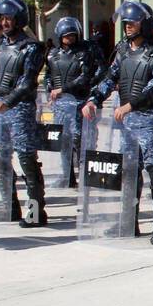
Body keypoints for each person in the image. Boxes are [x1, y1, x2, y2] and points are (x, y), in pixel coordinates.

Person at [84, 1, 153, 244]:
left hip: (149, 120)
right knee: (128, 172)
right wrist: (94, 99)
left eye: (132, 22)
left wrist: (130, 105)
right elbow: (110, 78)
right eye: (125, 23)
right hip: (126, 122)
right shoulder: (122, 50)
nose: (127, 27)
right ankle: (127, 221)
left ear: (144, 24)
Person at [0, 0, 47, 227]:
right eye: (1, 18)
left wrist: (9, 101)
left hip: (20, 109)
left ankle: (35, 212)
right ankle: (9, 207)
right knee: (1, 162)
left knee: (27, 161)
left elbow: (27, 82)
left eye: (9, 18)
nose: (5, 23)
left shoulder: (31, 47)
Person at [44, 16, 99, 188]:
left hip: (77, 102)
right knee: (63, 140)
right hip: (59, 105)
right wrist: (49, 89)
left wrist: (63, 89)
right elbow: (47, 76)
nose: (70, 38)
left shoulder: (83, 54)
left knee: (80, 140)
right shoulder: (53, 54)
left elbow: (84, 77)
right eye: (66, 35)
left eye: (73, 35)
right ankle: (67, 176)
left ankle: (85, 176)